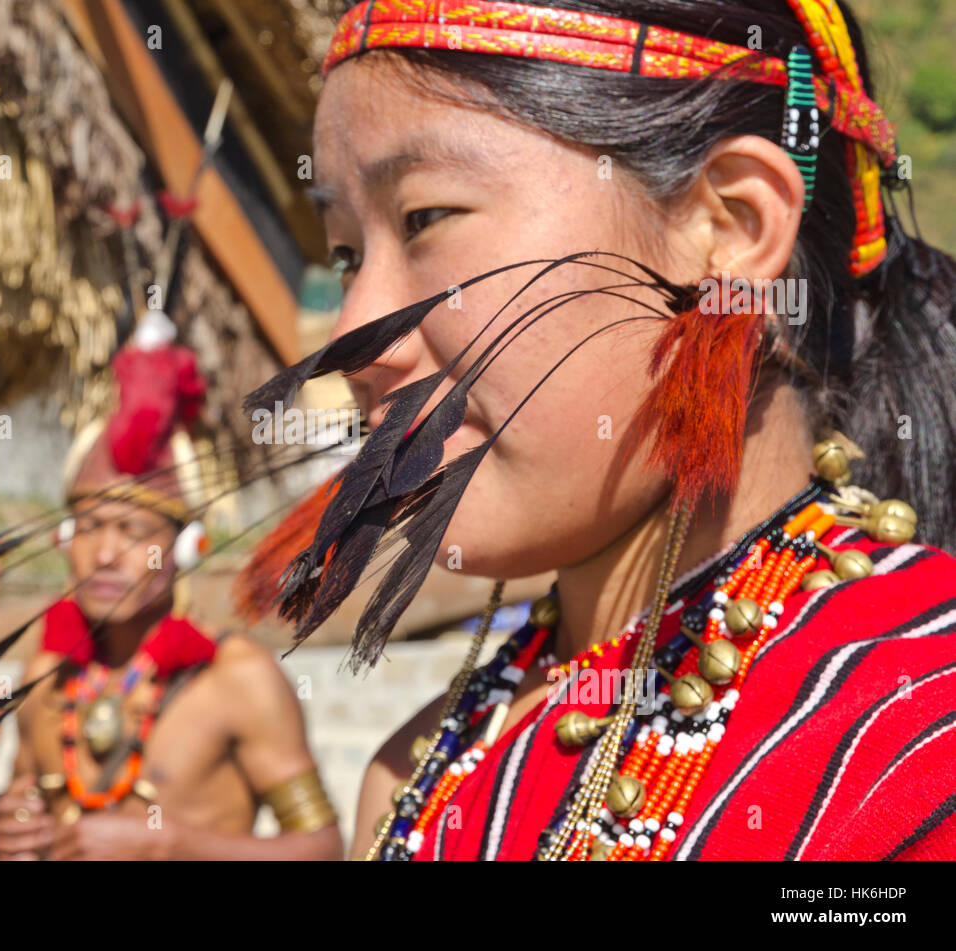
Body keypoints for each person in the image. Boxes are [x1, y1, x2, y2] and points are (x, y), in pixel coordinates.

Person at [243, 0, 956, 860]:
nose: (354, 338)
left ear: (728, 231)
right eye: (346, 252)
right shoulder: (420, 780)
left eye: (425, 219)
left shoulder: (916, 745)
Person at [0, 312, 343, 861]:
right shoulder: (46, 677)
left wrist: (168, 844)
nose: (105, 555)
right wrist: (10, 827)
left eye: (132, 532)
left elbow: (321, 848)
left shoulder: (237, 678)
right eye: (87, 529)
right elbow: (22, 807)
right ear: (63, 539)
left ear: (184, 549)